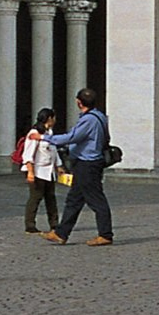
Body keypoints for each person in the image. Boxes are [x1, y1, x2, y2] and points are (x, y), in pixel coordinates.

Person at [42, 88, 114, 246]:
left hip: (87, 164)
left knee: (96, 199)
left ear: (79, 102)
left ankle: (105, 234)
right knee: (74, 200)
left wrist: (45, 138)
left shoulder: (89, 120)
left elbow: (73, 137)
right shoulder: (99, 116)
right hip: (88, 163)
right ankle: (61, 233)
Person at [21, 107, 60, 235]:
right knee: (35, 197)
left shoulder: (49, 133)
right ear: (49, 118)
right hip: (38, 170)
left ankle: (54, 224)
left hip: (49, 171)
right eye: (53, 117)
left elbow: (53, 151)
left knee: (51, 198)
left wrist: (58, 166)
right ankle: (30, 225)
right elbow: (28, 154)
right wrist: (30, 172)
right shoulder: (34, 133)